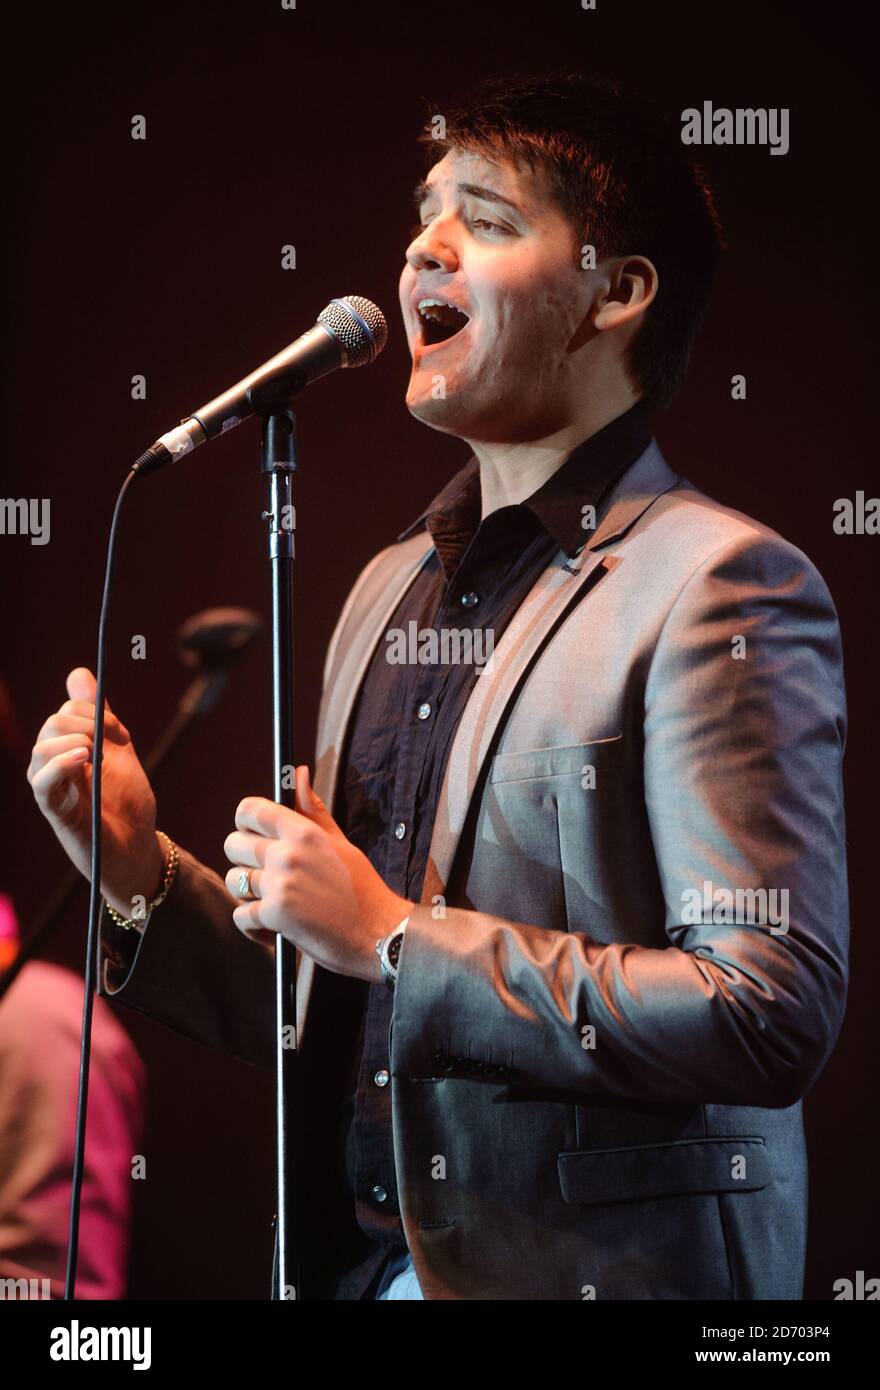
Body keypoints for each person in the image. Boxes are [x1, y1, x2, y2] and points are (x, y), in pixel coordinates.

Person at [26, 71, 849, 1301]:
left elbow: (765, 1006)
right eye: (426, 210)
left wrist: (398, 938)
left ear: (617, 292)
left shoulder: (719, 584)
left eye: (490, 218)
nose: (424, 244)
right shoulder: (381, 591)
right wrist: (138, 874)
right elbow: (340, 1007)